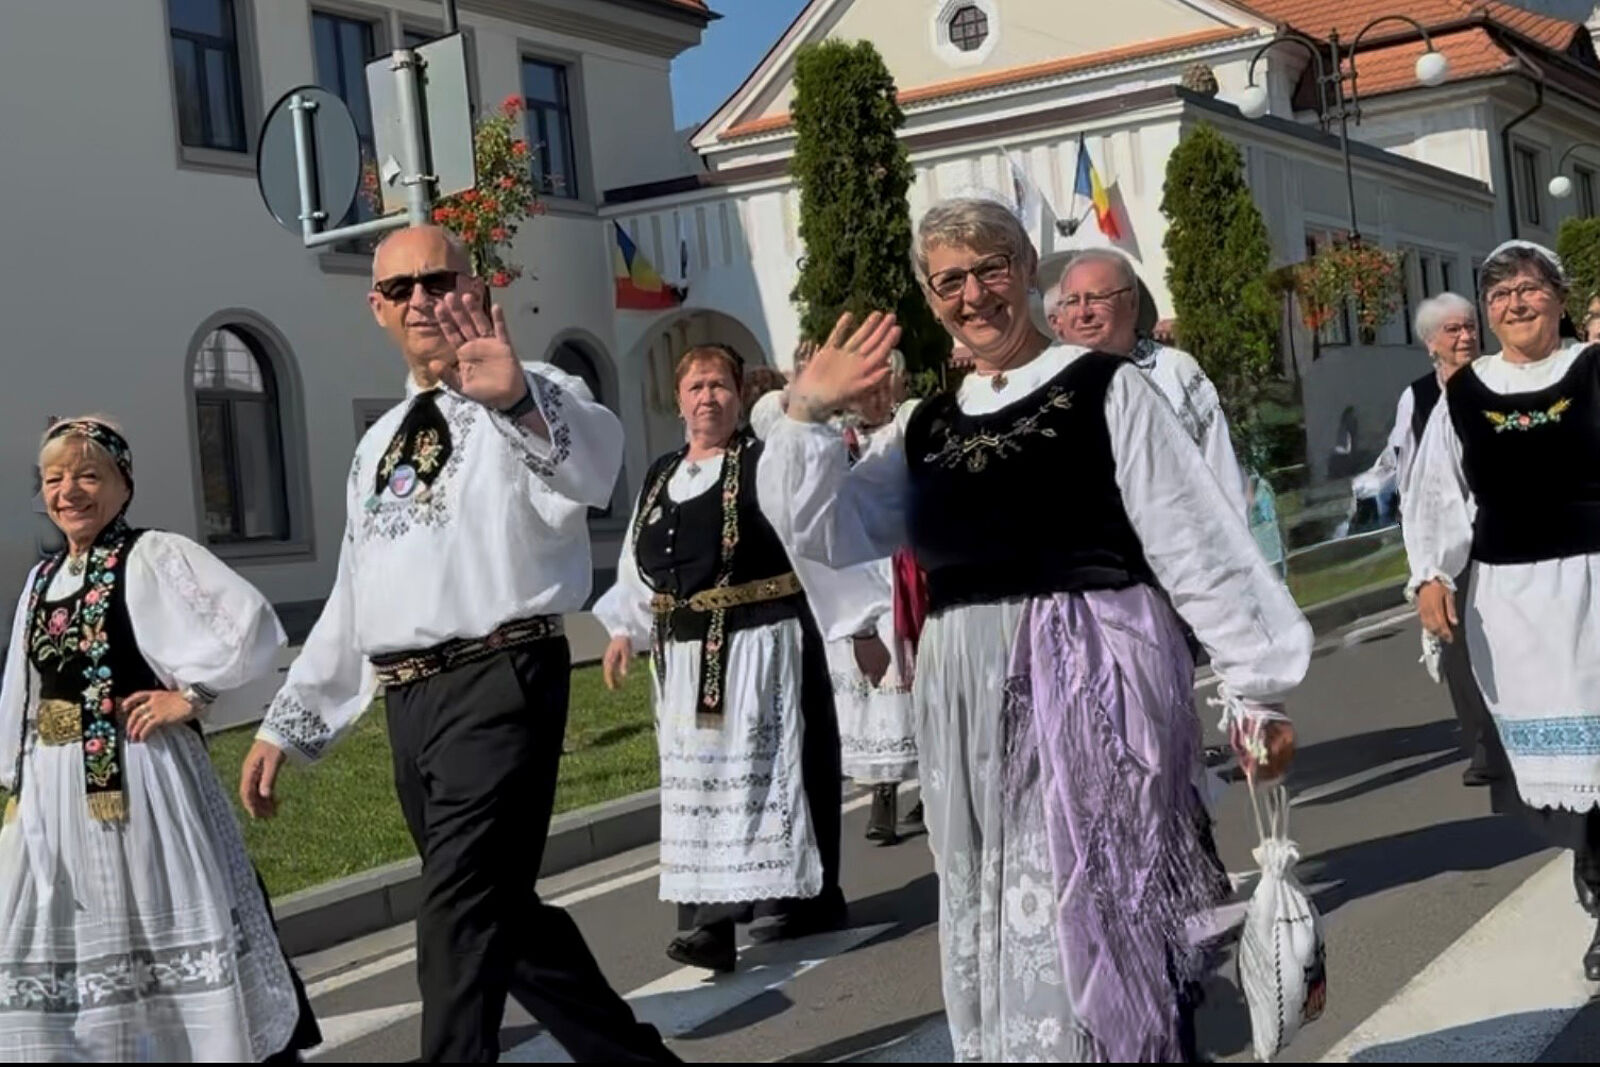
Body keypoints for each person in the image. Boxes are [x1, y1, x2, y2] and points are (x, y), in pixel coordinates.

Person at [758, 197, 1310, 1061]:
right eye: (950, 280)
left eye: (990, 270)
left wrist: (1257, 687)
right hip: (963, 691)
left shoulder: (1104, 386)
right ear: (929, 297)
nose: (973, 294)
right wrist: (806, 413)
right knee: (995, 893)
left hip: (1093, 668)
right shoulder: (923, 426)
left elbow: (1195, 537)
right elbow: (824, 529)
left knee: (1103, 893)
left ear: (1025, 273)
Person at [238, 226, 674, 1063]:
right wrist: (286, 722)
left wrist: (513, 399)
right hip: (413, 700)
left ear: (472, 284)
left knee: (453, 916)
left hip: (501, 679)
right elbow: (358, 592)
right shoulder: (378, 443)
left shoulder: (534, 387)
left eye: (436, 280)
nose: (420, 301)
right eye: (399, 289)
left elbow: (594, 467)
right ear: (378, 308)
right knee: (501, 917)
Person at [0, 417, 318, 1062]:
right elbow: (21, 693)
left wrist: (192, 696)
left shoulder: (150, 556)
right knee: (64, 931)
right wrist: (13, 782)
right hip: (55, 789)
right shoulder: (39, 584)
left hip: (143, 774)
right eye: (56, 479)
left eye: (90, 475)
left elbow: (250, 626)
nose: (71, 492)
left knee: (156, 907)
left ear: (123, 486)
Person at [596, 343, 846, 973]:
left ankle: (799, 895)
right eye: (696, 386)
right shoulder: (660, 475)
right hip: (685, 657)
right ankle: (709, 919)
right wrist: (625, 628)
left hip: (763, 642)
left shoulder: (763, 462)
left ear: (740, 395)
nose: (708, 397)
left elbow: (814, 524)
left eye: (719, 386)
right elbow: (635, 560)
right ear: (677, 400)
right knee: (699, 786)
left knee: (775, 774)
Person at [1405, 240, 1600, 977]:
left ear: (1558, 296)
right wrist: (1432, 575)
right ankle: (1594, 871)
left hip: (1596, 577)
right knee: (1568, 764)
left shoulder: (1593, 369)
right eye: (1500, 294)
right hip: (1513, 597)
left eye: (1530, 288)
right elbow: (1438, 495)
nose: (1516, 303)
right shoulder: (1465, 393)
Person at [751, 357, 921, 844]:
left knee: (913, 684)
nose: (873, 399)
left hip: (907, 578)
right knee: (868, 696)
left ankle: (926, 784)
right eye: (864, 388)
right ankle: (882, 790)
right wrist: (806, 392)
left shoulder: (908, 425)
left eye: (883, 386)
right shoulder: (833, 437)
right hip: (853, 578)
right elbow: (769, 419)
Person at [1367, 294, 1499, 787]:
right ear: (1430, 342)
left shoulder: (1495, 379)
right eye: (1452, 330)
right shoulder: (1418, 396)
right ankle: (1483, 747)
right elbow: (1406, 460)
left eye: (1469, 327)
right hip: (1445, 534)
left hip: (1496, 524)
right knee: (1457, 639)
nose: (1465, 336)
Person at [1044, 247, 1249, 518]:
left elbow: (1221, 475)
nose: (1083, 313)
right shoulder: (1045, 382)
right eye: (1072, 300)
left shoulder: (1173, 370)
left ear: (1131, 303)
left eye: (1096, 298)